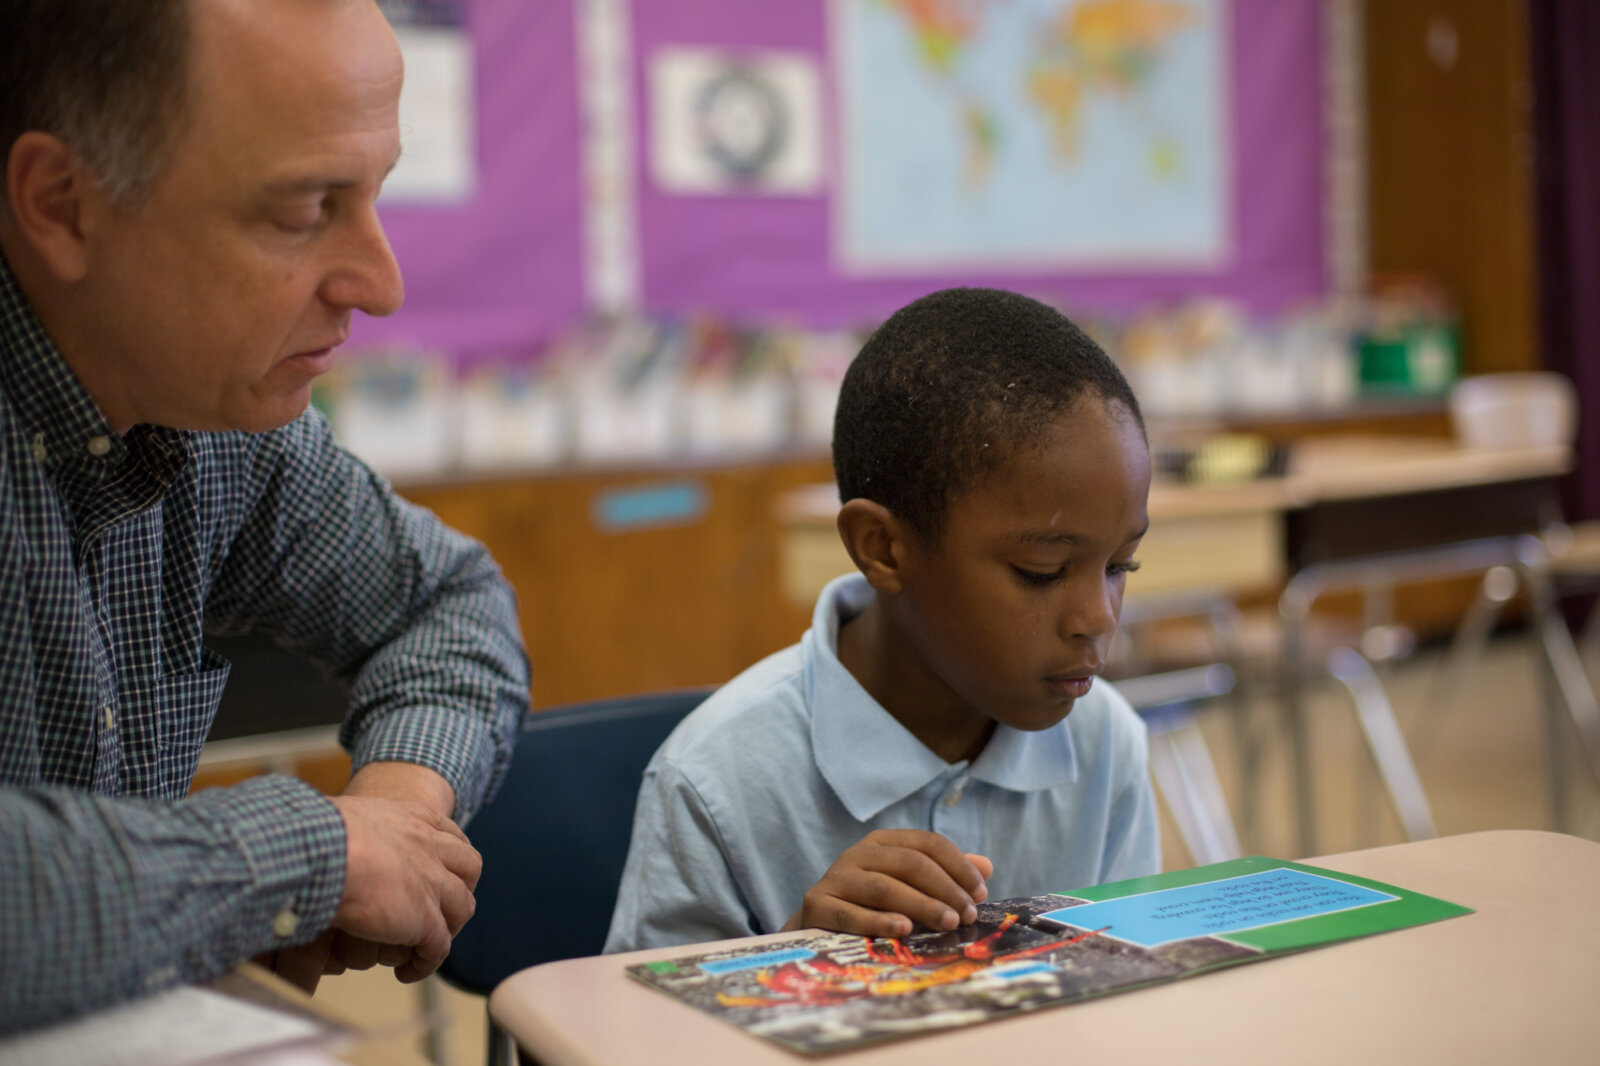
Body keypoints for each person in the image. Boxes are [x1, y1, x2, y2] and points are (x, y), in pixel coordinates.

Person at [0, 0, 529, 1032]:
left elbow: (448, 601)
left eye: (374, 196)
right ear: (61, 203)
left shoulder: (212, 416)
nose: (381, 284)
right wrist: (312, 854)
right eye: (301, 212)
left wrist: (399, 815)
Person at [606, 287, 1159, 952]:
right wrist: (793, 958)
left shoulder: (1105, 747)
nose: (1097, 619)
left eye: (1121, 567)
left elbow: (1128, 994)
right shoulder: (712, 782)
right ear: (882, 548)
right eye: (1040, 571)